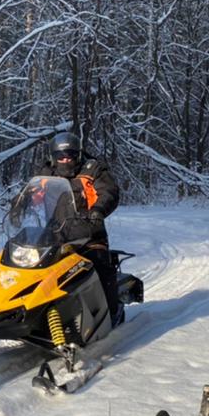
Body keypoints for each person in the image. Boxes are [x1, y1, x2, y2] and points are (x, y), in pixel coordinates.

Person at [34, 130, 123, 325]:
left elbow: (109, 191)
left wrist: (99, 209)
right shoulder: (46, 173)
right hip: (56, 233)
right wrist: (18, 205)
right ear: (53, 157)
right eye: (61, 157)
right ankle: (34, 312)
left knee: (100, 267)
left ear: (79, 154)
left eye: (70, 156)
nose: (65, 161)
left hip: (90, 232)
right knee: (31, 266)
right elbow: (33, 192)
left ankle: (112, 312)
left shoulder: (93, 170)